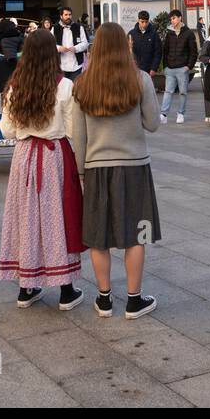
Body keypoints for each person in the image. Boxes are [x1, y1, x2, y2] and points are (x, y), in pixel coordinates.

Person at [70, 22, 162, 320]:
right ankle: (134, 300)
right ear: (126, 46)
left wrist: (81, 174)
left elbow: (79, 136)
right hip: (134, 166)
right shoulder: (140, 80)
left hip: (96, 168)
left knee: (99, 235)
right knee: (136, 234)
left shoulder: (82, 84)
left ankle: (104, 298)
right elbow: (153, 123)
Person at [0, 30, 85, 309]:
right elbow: (72, 130)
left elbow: (7, 129)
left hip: (24, 157)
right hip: (54, 155)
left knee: (26, 218)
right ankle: (65, 289)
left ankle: (27, 287)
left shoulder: (14, 87)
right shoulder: (64, 86)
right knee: (55, 217)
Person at [159, 9, 198, 124]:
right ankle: (163, 114)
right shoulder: (169, 33)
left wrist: (188, 66)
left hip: (182, 68)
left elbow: (193, 52)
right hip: (170, 69)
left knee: (183, 92)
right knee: (168, 92)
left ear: (180, 18)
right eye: (171, 19)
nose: (172, 21)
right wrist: (165, 66)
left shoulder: (189, 33)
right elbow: (165, 50)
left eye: (174, 18)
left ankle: (180, 113)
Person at [54, 6, 90, 80]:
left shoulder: (79, 27)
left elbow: (85, 43)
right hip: (61, 66)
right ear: (61, 16)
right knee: (62, 89)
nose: (68, 17)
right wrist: (59, 48)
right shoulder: (55, 28)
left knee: (75, 88)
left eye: (70, 15)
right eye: (66, 15)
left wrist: (76, 48)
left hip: (76, 65)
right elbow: (49, 44)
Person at [128, 10, 162, 75]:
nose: (144, 24)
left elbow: (158, 53)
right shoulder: (131, 34)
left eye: (146, 22)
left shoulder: (154, 34)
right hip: (134, 70)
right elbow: (126, 52)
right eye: (142, 22)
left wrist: (154, 68)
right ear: (138, 20)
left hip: (149, 70)